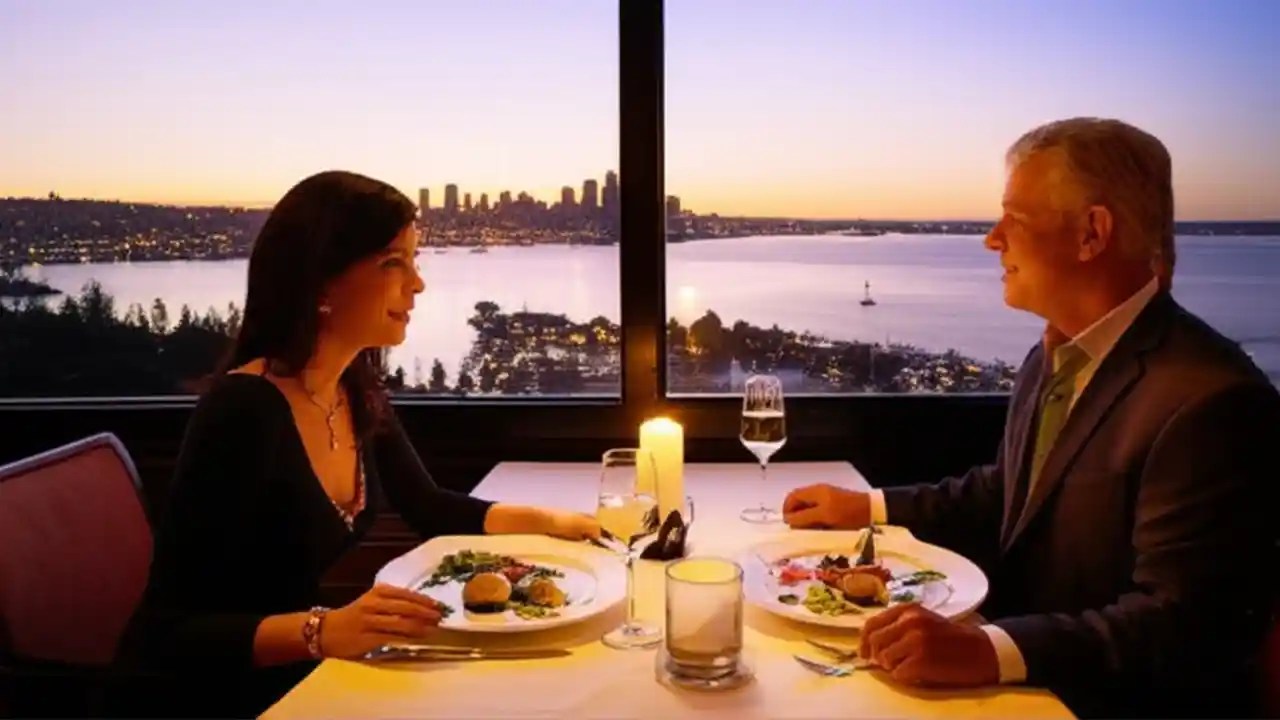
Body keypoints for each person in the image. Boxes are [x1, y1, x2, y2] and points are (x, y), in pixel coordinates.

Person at [782, 118, 1279, 718]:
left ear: (1092, 233)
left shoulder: (1212, 400)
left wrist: (990, 650)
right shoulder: (1055, 357)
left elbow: (1186, 625)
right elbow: (1011, 494)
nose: (993, 240)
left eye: (1013, 219)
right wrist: (868, 509)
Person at [111, 170, 600, 717]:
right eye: (394, 262)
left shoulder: (353, 391)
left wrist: (561, 523)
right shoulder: (243, 411)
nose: (417, 284)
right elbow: (169, 633)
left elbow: (429, 506)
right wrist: (326, 628)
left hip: (302, 675)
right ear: (321, 281)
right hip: (211, 696)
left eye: (416, 262)